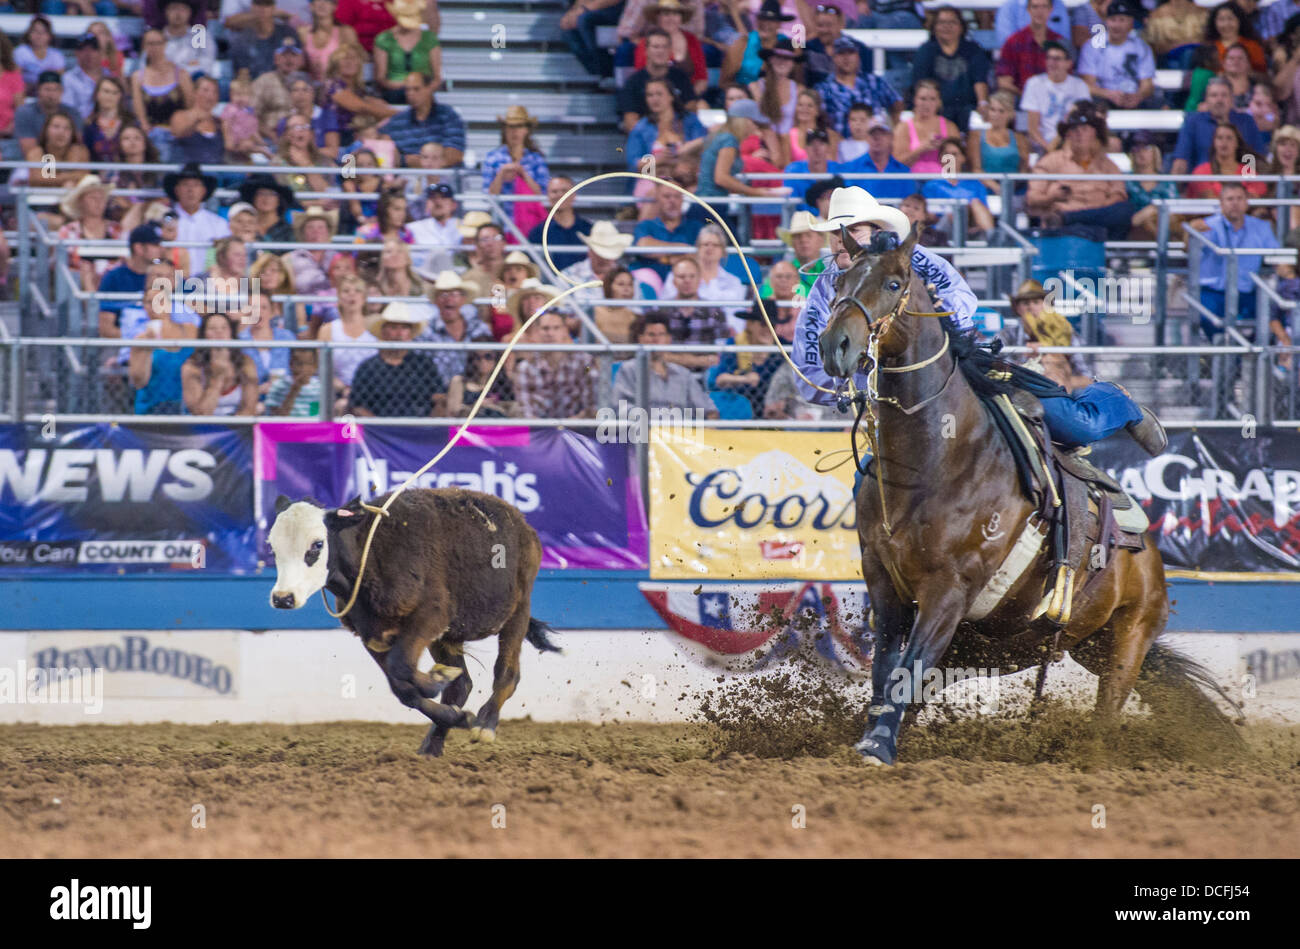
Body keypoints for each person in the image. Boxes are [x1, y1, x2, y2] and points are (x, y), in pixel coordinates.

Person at [794, 185, 1167, 457]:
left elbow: (960, 296)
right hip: (892, 403)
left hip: (961, 366)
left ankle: (1113, 401)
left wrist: (943, 322)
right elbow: (809, 373)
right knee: (868, 494)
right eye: (833, 233)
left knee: (1073, 425)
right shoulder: (822, 293)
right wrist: (856, 384)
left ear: (876, 232)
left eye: (852, 231)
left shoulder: (911, 260)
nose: (840, 241)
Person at [1187, 181, 1282, 339]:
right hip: (1213, 291)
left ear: (1247, 202)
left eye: (1239, 198)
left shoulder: (1261, 227)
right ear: (1221, 203)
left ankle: (1243, 357)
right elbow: (1187, 250)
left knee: (1272, 317)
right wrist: (1190, 232)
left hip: (1247, 292)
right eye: (1230, 199)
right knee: (1207, 317)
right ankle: (1224, 356)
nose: (1235, 204)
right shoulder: (1207, 226)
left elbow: (1278, 259)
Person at [1027, 106, 1133, 240]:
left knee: (1125, 210)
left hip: (1097, 221)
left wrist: (1096, 212)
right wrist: (1051, 197)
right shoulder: (1050, 161)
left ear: (1094, 133)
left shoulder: (1108, 165)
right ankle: (1067, 220)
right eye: (1074, 130)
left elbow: (1118, 195)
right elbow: (1032, 199)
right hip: (1065, 223)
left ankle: (1067, 219)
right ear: (1068, 135)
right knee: (1063, 224)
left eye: (1085, 129)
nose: (1079, 134)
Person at [349, 302, 447, 416]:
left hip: (421, 426)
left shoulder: (424, 364)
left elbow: (439, 397)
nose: (399, 333)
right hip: (377, 429)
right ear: (383, 332)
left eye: (404, 328)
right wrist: (377, 426)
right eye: (393, 327)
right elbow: (357, 405)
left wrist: (429, 426)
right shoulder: (368, 367)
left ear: (410, 333)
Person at [611, 312, 718, 414]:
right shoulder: (629, 369)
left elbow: (706, 407)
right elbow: (620, 406)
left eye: (661, 334)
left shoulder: (682, 374)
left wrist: (711, 418)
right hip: (644, 428)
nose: (656, 340)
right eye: (651, 335)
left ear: (668, 339)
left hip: (680, 430)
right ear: (640, 338)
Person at [126, 271, 199, 415]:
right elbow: (139, 382)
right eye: (149, 302)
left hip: (186, 409)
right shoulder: (140, 341)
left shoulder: (191, 331)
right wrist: (147, 349)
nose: (154, 305)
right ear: (144, 307)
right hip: (152, 411)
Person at [910, 6, 991, 133]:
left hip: (967, 107)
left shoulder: (973, 50)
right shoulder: (925, 51)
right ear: (934, 27)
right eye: (942, 22)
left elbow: (979, 79)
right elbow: (921, 84)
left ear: (961, 27)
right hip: (936, 108)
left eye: (952, 22)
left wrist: (982, 103)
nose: (947, 26)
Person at [1171, 76, 1268, 173]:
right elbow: (1181, 160)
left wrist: (1250, 181)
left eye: (1224, 95)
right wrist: (1174, 186)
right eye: (1214, 95)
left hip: (1240, 182)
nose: (1219, 100)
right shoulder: (1193, 122)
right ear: (1206, 100)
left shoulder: (1246, 122)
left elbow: (1255, 157)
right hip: (1202, 182)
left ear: (1232, 99)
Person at [998, 278, 1090, 378]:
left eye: (1036, 302)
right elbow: (998, 365)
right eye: (1025, 303)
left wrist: (1049, 353)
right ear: (1017, 308)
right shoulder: (1006, 335)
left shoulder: (1065, 333)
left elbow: (1085, 374)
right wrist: (1026, 361)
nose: (1031, 307)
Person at [708, 297, 786, 415]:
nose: (768, 329)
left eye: (772, 325)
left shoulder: (782, 347)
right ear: (750, 324)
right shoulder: (734, 344)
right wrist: (744, 379)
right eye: (764, 324)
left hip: (771, 406)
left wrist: (765, 351)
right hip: (738, 402)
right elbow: (720, 379)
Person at [513, 312, 598, 418]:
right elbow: (525, 411)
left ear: (565, 331)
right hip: (539, 431)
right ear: (537, 332)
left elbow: (592, 405)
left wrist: (566, 426)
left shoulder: (585, 363)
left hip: (578, 429)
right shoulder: (525, 368)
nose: (550, 333)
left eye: (556, 328)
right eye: (545, 328)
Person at [482, 106, 552, 235]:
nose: (515, 131)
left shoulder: (536, 159)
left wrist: (523, 174)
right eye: (510, 126)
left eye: (519, 126)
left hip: (531, 223)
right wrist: (501, 174)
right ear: (504, 129)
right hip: (502, 223)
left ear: (526, 130)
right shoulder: (492, 158)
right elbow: (488, 196)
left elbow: (543, 196)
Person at [1078, 0, 1159, 109]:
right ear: (1106, 22)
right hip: (1103, 97)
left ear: (1131, 23)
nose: (1117, 25)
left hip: (1134, 96)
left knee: (1161, 104)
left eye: (1122, 20)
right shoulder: (1092, 46)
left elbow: (1147, 84)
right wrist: (1109, 94)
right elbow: (1087, 84)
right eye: (1113, 20)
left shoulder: (1141, 47)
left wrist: (1138, 96)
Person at [815, 36, 901, 137]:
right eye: (841, 53)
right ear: (834, 57)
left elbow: (897, 103)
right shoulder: (823, 89)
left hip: (872, 147)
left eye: (851, 53)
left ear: (858, 56)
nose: (846, 58)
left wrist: (895, 133)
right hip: (839, 148)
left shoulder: (874, 82)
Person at [420, 271, 494, 384]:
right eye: (443, 295)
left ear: (463, 299)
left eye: (454, 294)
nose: (449, 299)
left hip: (477, 389)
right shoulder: (426, 332)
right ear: (435, 301)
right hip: (437, 391)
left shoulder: (479, 328)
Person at [619, 27, 699, 131]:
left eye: (664, 47)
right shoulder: (633, 82)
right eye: (656, 47)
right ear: (646, 50)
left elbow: (691, 107)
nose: (660, 51)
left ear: (670, 51)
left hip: (678, 134)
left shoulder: (681, 77)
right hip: (647, 137)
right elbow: (630, 120)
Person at [182, 312, 260, 416]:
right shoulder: (192, 367)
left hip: (238, 427)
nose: (219, 332)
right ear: (204, 335)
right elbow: (201, 413)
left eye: (224, 328)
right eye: (212, 328)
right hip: (202, 428)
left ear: (231, 334)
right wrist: (217, 379)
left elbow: (249, 408)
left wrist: (232, 429)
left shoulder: (245, 363)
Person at [383, 70, 466, 167]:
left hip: (444, 179)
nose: (411, 94)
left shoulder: (448, 116)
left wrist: (409, 160)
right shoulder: (397, 121)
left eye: (416, 89)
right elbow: (388, 152)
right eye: (407, 90)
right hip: (409, 180)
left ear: (429, 88)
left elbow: (455, 155)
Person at [1021, 41, 1090, 153]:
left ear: (1069, 63)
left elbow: (1084, 124)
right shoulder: (1034, 83)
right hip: (1043, 144)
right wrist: (1049, 149)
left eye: (1057, 59)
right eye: (1049, 58)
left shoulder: (1080, 86)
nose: (1051, 63)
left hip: (1072, 143)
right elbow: (1033, 130)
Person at [164, 163, 230, 274]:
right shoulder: (163, 221)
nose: (190, 190)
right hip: (172, 282)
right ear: (176, 190)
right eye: (185, 184)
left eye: (196, 185)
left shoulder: (219, 224)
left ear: (203, 191)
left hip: (209, 285)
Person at [58, 175, 120, 293]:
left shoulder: (116, 229)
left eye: (101, 198)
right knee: (84, 273)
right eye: (92, 198)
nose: (98, 202)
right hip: (78, 286)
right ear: (81, 202)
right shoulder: (69, 231)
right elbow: (64, 264)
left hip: (111, 283)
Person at [98, 224, 163, 338]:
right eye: (155, 245)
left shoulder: (165, 275)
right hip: (121, 346)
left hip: (159, 344)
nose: (160, 249)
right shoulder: (114, 278)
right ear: (138, 248)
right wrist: (139, 340)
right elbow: (106, 329)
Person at [634, 177, 705, 279]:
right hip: (652, 286)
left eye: (677, 196)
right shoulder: (645, 226)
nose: (672, 201)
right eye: (667, 196)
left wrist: (664, 258)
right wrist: (683, 248)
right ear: (657, 199)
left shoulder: (696, 227)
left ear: (682, 198)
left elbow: (701, 256)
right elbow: (644, 246)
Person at [997, 0, 1069, 98]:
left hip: (1056, 100)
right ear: (1028, 10)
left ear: (1051, 10)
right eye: (1035, 7)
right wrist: (1029, 98)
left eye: (1044, 6)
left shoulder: (1060, 42)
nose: (1040, 11)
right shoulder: (1013, 42)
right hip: (1022, 101)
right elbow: (1004, 82)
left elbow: (1067, 79)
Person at [372, 0, 442, 101]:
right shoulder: (384, 39)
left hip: (423, 91)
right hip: (394, 90)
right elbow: (381, 78)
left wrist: (423, 90)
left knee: (422, 99)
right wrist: (406, 86)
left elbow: (437, 77)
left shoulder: (429, 38)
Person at [527, 175, 594, 271]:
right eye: (554, 191)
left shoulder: (589, 229)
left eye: (564, 191)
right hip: (550, 284)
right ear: (548, 196)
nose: (560, 195)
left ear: (574, 195)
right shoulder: (538, 232)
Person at [798, 1, 870, 89]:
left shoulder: (858, 49)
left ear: (841, 25)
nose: (824, 30)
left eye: (829, 25)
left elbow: (868, 81)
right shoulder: (808, 48)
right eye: (820, 25)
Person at [722, 0, 793, 88]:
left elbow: (796, 80)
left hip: (777, 96)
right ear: (757, 20)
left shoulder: (786, 45)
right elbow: (725, 81)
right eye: (762, 18)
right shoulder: (743, 43)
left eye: (771, 20)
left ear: (779, 24)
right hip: (745, 95)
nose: (766, 24)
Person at [1186, 122, 1267, 199]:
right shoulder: (1201, 172)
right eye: (1219, 138)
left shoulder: (1247, 171)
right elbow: (1207, 198)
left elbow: (1254, 195)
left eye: (1229, 138)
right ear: (1214, 142)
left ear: (1237, 143)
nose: (1224, 142)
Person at [967, 90, 1027, 195]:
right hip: (986, 186)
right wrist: (996, 187)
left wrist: (1010, 187)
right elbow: (976, 168)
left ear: (1010, 114)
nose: (996, 115)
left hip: (1014, 187)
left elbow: (1024, 167)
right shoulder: (976, 135)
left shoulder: (1019, 138)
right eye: (992, 110)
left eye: (1001, 111)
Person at [17, 72, 84, 161]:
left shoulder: (73, 113)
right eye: (47, 89)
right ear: (38, 90)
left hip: (66, 162)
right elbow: (28, 149)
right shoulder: (25, 112)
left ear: (62, 91)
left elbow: (77, 145)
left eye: (56, 89)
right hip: (34, 162)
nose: (51, 94)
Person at [231, 0, 303, 79]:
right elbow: (241, 74)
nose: (263, 9)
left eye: (267, 5)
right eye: (258, 4)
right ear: (252, 7)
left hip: (285, 84)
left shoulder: (287, 33)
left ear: (273, 8)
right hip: (254, 87)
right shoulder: (242, 40)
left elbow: (298, 64)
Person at [251, 37, 308, 138]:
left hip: (300, 136)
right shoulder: (264, 81)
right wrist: (271, 135)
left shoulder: (307, 82)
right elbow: (250, 115)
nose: (289, 59)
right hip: (269, 138)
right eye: (284, 55)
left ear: (300, 60)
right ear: (276, 59)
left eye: (293, 55)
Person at [1126, 133, 1179, 239]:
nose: (1141, 152)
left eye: (1146, 148)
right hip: (1134, 229)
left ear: (1155, 152)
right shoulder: (1126, 181)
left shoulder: (1167, 182)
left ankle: (1164, 244)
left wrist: (1152, 211)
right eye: (1137, 148)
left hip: (1162, 224)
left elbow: (1175, 210)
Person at [892, 79, 949, 174]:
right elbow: (897, 164)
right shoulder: (903, 128)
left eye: (932, 99)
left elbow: (955, 163)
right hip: (911, 181)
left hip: (941, 181)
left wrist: (943, 149)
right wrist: (921, 149)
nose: (927, 104)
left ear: (939, 102)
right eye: (923, 99)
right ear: (915, 100)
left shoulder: (949, 126)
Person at [562, 0, 628, 79]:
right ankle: (598, 74)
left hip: (619, 8)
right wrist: (573, 13)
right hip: (592, 10)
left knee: (584, 20)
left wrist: (583, 10)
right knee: (568, 31)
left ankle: (606, 73)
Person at [169, 75, 226, 168]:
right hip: (188, 170)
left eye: (215, 92)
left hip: (216, 172)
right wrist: (196, 120)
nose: (210, 95)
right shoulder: (180, 115)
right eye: (205, 90)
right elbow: (179, 133)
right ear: (195, 93)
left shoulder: (220, 121)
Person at [300, 0, 360, 80]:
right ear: (311, 6)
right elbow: (300, 66)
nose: (322, 4)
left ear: (335, 6)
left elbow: (356, 63)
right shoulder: (303, 32)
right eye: (318, 0)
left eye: (328, 1)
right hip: (312, 86)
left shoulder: (346, 32)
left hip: (339, 85)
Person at [1204, 1, 1267, 73]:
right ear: (1214, 23)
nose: (1226, 24)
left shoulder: (1252, 46)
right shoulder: (1208, 48)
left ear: (1240, 21)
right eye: (1221, 19)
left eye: (1230, 19)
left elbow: (1263, 75)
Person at [162, 0, 217, 76]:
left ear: (190, 12)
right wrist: (190, 64)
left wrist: (180, 71)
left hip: (195, 81)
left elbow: (207, 64)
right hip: (164, 81)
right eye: (174, 8)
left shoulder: (200, 35)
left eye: (183, 9)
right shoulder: (158, 36)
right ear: (166, 12)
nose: (178, 13)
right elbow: (146, 64)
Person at [264, 347, 325, 416]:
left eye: (307, 364)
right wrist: (294, 391)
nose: (302, 368)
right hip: (285, 426)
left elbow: (314, 415)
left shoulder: (318, 388)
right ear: (290, 364)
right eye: (298, 363)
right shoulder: (278, 387)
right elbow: (276, 417)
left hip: (309, 426)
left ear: (315, 366)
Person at [61, 34, 105, 120]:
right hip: (78, 126)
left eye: (93, 49)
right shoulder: (68, 78)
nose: (89, 54)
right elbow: (68, 111)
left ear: (100, 52)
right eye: (83, 49)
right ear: (76, 53)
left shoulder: (109, 76)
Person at [15, 16, 66, 89]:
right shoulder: (20, 52)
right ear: (28, 34)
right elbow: (15, 79)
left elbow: (59, 81)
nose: (39, 35)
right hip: (25, 91)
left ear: (50, 36)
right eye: (35, 31)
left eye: (43, 32)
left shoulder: (56, 55)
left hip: (48, 93)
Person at [594, 267, 639, 342]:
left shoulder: (636, 317)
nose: (627, 289)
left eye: (630, 285)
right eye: (621, 284)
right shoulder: (595, 313)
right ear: (608, 287)